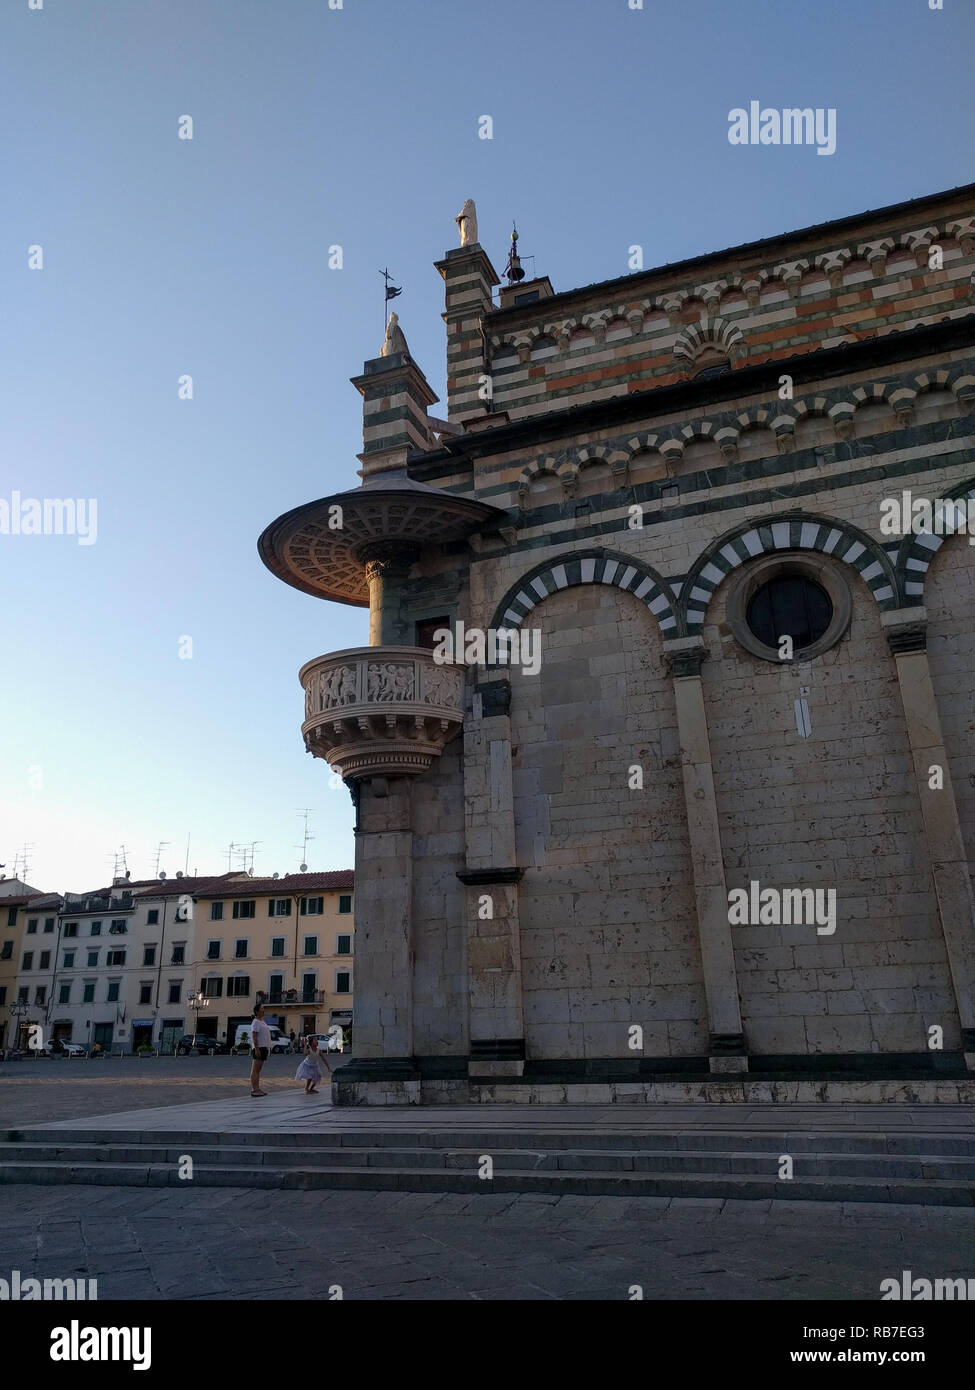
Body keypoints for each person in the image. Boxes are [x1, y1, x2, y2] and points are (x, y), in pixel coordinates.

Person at [249, 1003, 271, 1096]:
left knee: (258, 1069)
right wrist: (257, 1049)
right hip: (259, 1047)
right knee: (255, 1070)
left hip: (264, 1047)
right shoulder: (256, 1022)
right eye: (262, 1009)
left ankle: (257, 1088)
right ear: (257, 1011)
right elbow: (254, 1036)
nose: (264, 1010)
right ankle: (255, 1090)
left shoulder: (262, 1021)